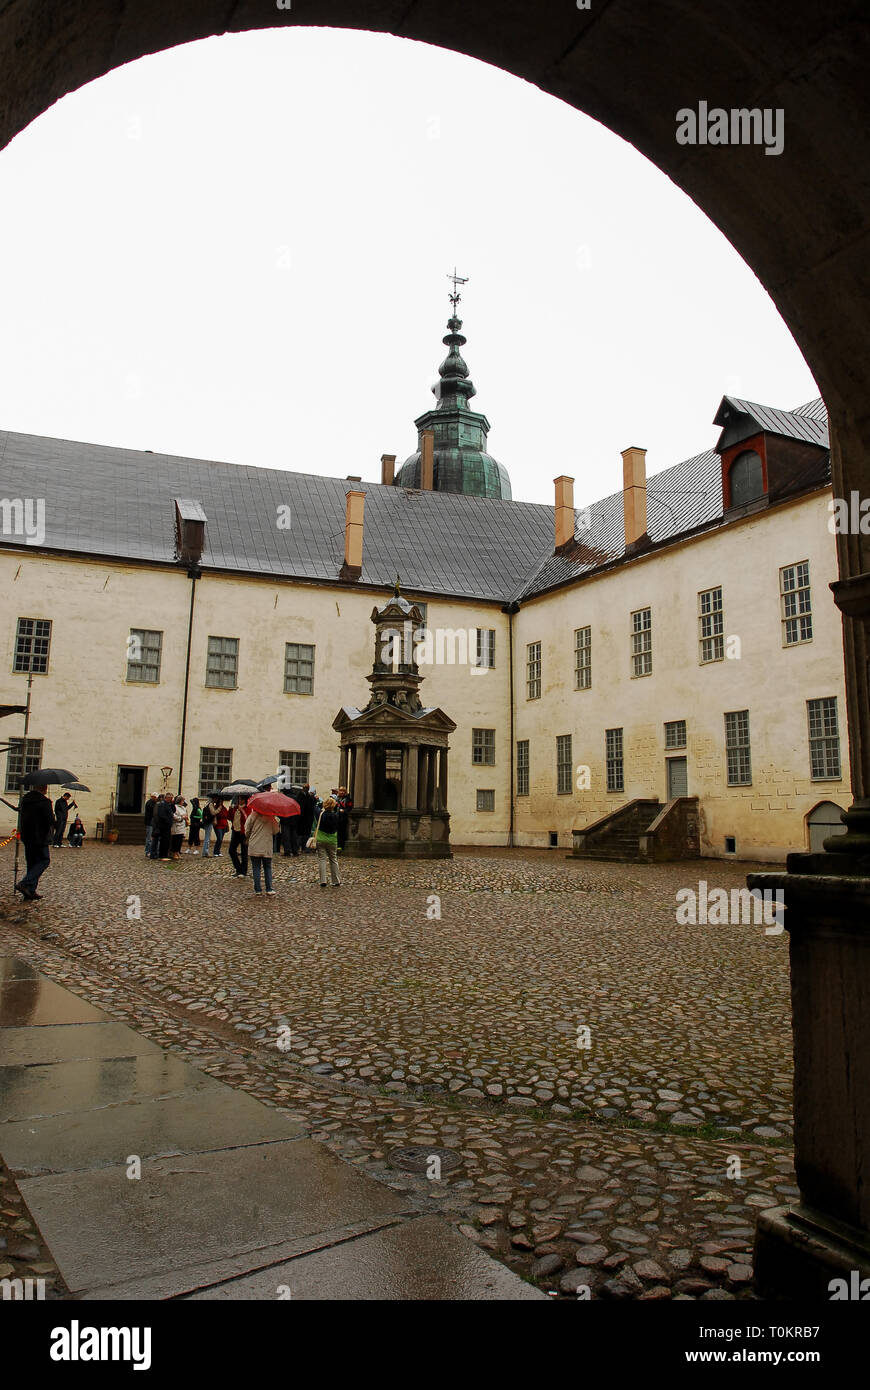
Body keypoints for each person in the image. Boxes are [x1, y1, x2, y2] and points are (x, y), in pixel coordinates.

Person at [16, 783, 55, 901]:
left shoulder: (25, 800)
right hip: (40, 837)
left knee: (32, 863)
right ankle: (25, 883)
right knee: (44, 860)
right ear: (44, 788)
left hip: (27, 836)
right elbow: (50, 820)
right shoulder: (45, 802)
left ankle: (30, 891)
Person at [245, 805, 279, 895]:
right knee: (267, 867)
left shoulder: (253, 815)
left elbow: (246, 829)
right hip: (267, 846)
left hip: (254, 845)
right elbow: (276, 831)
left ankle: (258, 890)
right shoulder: (271, 817)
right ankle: (269, 889)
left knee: (256, 868)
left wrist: (249, 836)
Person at [315, 795, 342, 888]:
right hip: (332, 840)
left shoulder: (321, 814)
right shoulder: (335, 815)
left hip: (321, 839)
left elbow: (315, 808)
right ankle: (336, 880)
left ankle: (323, 880)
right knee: (333, 859)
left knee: (322, 859)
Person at [151, 792, 175, 861]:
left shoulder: (168, 804)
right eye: (171, 798)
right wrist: (168, 821)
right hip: (164, 826)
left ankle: (164, 854)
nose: (172, 799)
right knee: (164, 841)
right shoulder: (162, 804)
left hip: (166, 826)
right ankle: (162, 855)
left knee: (166, 841)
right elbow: (162, 815)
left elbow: (173, 811)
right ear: (168, 798)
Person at [229, 797, 249, 877]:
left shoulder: (247, 808)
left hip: (243, 832)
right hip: (235, 831)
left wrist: (242, 811)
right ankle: (238, 868)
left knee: (244, 852)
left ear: (244, 800)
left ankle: (243, 871)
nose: (239, 801)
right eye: (239, 799)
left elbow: (247, 819)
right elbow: (230, 818)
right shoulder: (235, 808)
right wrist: (230, 810)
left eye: (241, 799)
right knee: (231, 850)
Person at [336, 785, 353, 851]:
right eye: (341, 791)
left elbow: (349, 808)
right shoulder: (337, 798)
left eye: (343, 791)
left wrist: (344, 811)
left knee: (342, 832)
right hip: (337, 817)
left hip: (343, 818)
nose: (342, 792)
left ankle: (341, 846)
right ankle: (337, 845)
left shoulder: (348, 799)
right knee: (337, 832)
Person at [144, 793, 158, 857]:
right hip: (150, 822)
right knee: (149, 838)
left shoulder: (154, 803)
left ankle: (151, 850)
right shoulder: (149, 803)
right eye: (155, 797)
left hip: (152, 822)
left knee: (151, 838)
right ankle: (147, 851)